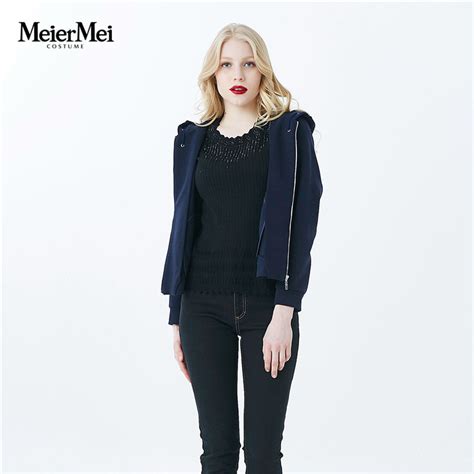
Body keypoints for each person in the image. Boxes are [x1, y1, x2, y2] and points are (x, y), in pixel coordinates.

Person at [161, 23, 323, 474]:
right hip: (200, 308)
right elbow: (182, 227)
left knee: (264, 455)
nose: (238, 74)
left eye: (248, 63)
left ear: (262, 70)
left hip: (267, 308)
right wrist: (176, 317)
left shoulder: (289, 133)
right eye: (227, 64)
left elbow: (303, 224)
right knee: (217, 453)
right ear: (212, 74)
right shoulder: (191, 139)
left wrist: (285, 312)